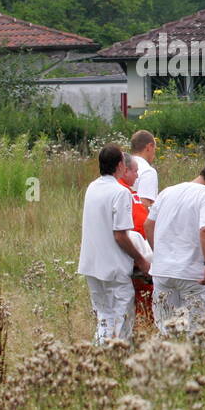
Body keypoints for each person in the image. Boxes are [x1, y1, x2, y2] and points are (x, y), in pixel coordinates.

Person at [146, 158, 205, 335]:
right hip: (191, 273)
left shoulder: (167, 192)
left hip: (162, 272)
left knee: (167, 329)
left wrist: (159, 253)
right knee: (198, 331)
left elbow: (148, 224)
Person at [77, 145, 151, 345]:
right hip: (113, 267)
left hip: (92, 265)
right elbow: (120, 235)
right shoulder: (120, 192)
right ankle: (118, 356)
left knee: (104, 317)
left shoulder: (92, 187)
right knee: (121, 319)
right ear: (119, 165)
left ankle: (99, 354)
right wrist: (141, 260)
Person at [119, 157, 153, 324]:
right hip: (133, 256)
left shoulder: (129, 191)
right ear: (125, 170)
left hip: (140, 252)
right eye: (135, 171)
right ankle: (142, 327)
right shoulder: (119, 192)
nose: (138, 175)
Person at [129, 129, 159, 208]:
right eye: (154, 149)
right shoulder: (148, 172)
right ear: (149, 147)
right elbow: (144, 205)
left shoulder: (122, 167)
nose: (154, 154)